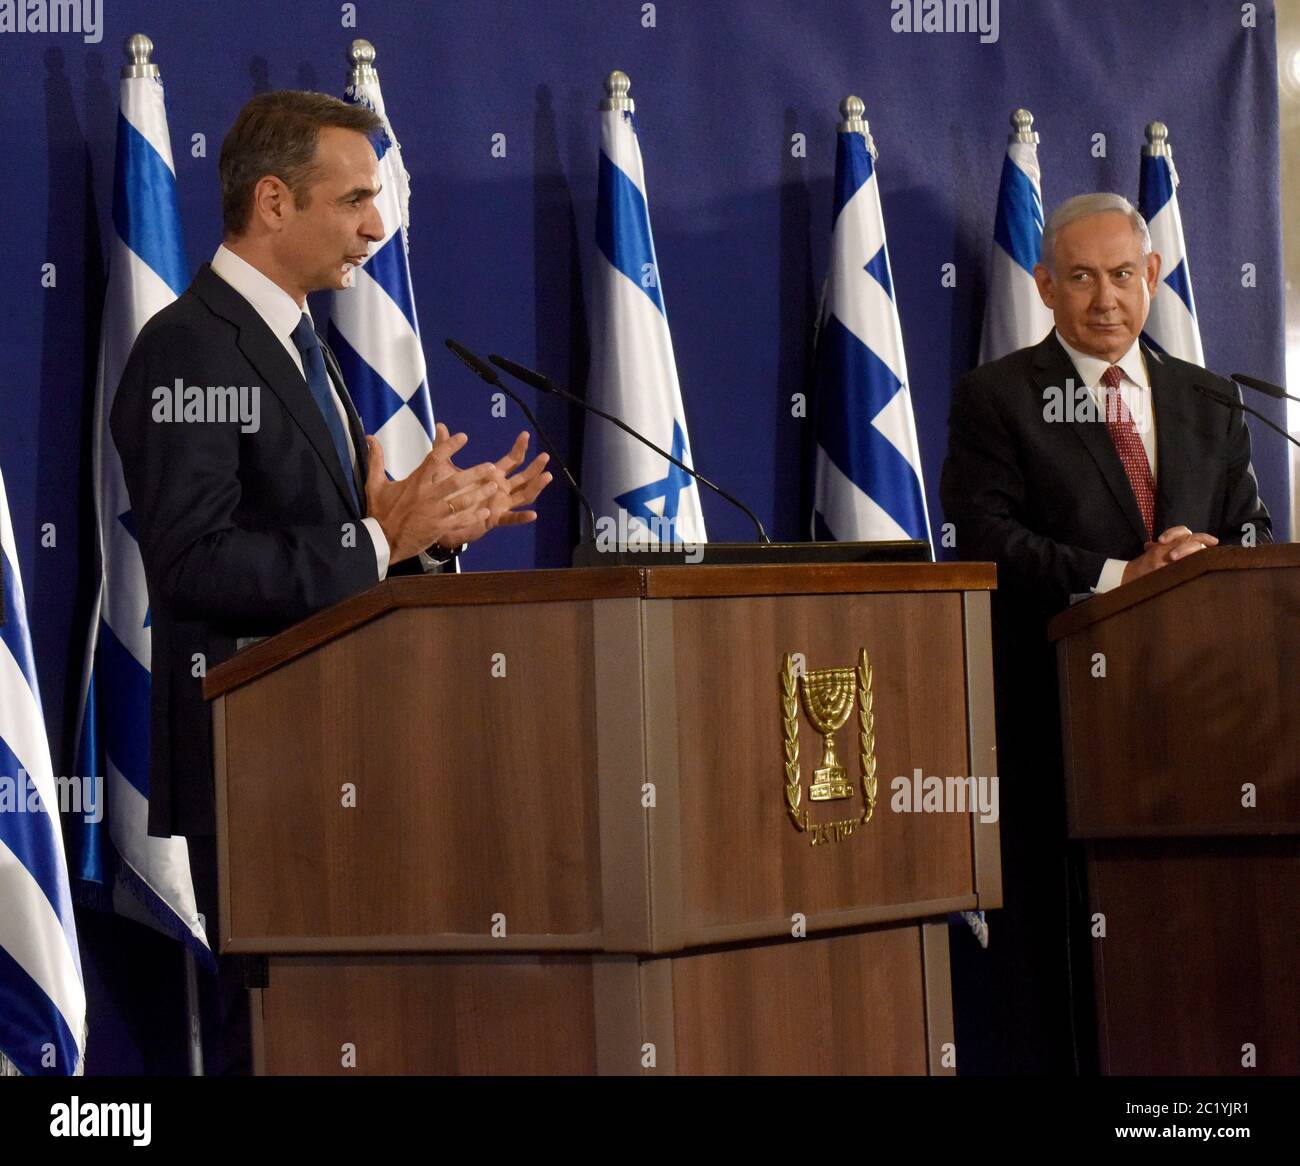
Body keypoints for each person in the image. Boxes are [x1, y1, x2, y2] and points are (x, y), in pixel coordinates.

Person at [110, 90, 553, 1073]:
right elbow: (192, 560)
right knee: (278, 1029)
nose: (375, 226)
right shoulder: (191, 348)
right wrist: (375, 540)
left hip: (344, 744)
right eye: (354, 199)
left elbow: (348, 533)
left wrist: (427, 534)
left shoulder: (298, 340)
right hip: (260, 758)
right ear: (273, 201)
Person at [940, 192, 1271, 1074]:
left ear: (1153, 277)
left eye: (1123, 275)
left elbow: (1251, 533)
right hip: (1067, 728)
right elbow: (986, 539)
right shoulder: (997, 398)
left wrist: (1204, 556)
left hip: (1207, 731)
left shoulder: (1210, 398)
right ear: (1045, 287)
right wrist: (1126, 577)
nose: (1105, 298)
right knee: (1076, 974)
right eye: (1080, 278)